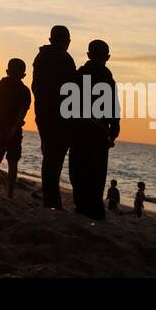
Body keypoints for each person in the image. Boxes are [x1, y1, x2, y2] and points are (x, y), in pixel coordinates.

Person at [68, 39, 120, 220]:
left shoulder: (78, 75)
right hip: (98, 132)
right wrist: (113, 132)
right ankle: (94, 208)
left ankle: (81, 206)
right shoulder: (108, 79)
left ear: (88, 55)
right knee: (96, 173)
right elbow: (114, 110)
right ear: (107, 57)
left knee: (78, 169)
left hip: (79, 130)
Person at [32, 25, 77, 209]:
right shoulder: (65, 59)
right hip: (59, 116)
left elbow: (36, 87)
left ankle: (50, 200)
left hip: (42, 113)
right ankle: (52, 202)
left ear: (51, 40)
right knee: (54, 159)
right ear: (67, 42)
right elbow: (72, 91)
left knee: (49, 156)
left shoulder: (40, 57)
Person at [0, 58, 32, 198]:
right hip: (12, 130)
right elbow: (23, 112)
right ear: (24, 75)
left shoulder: (1, 85)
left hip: (1, 128)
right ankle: (9, 192)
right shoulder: (24, 90)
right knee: (12, 161)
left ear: (7, 71)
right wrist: (15, 127)